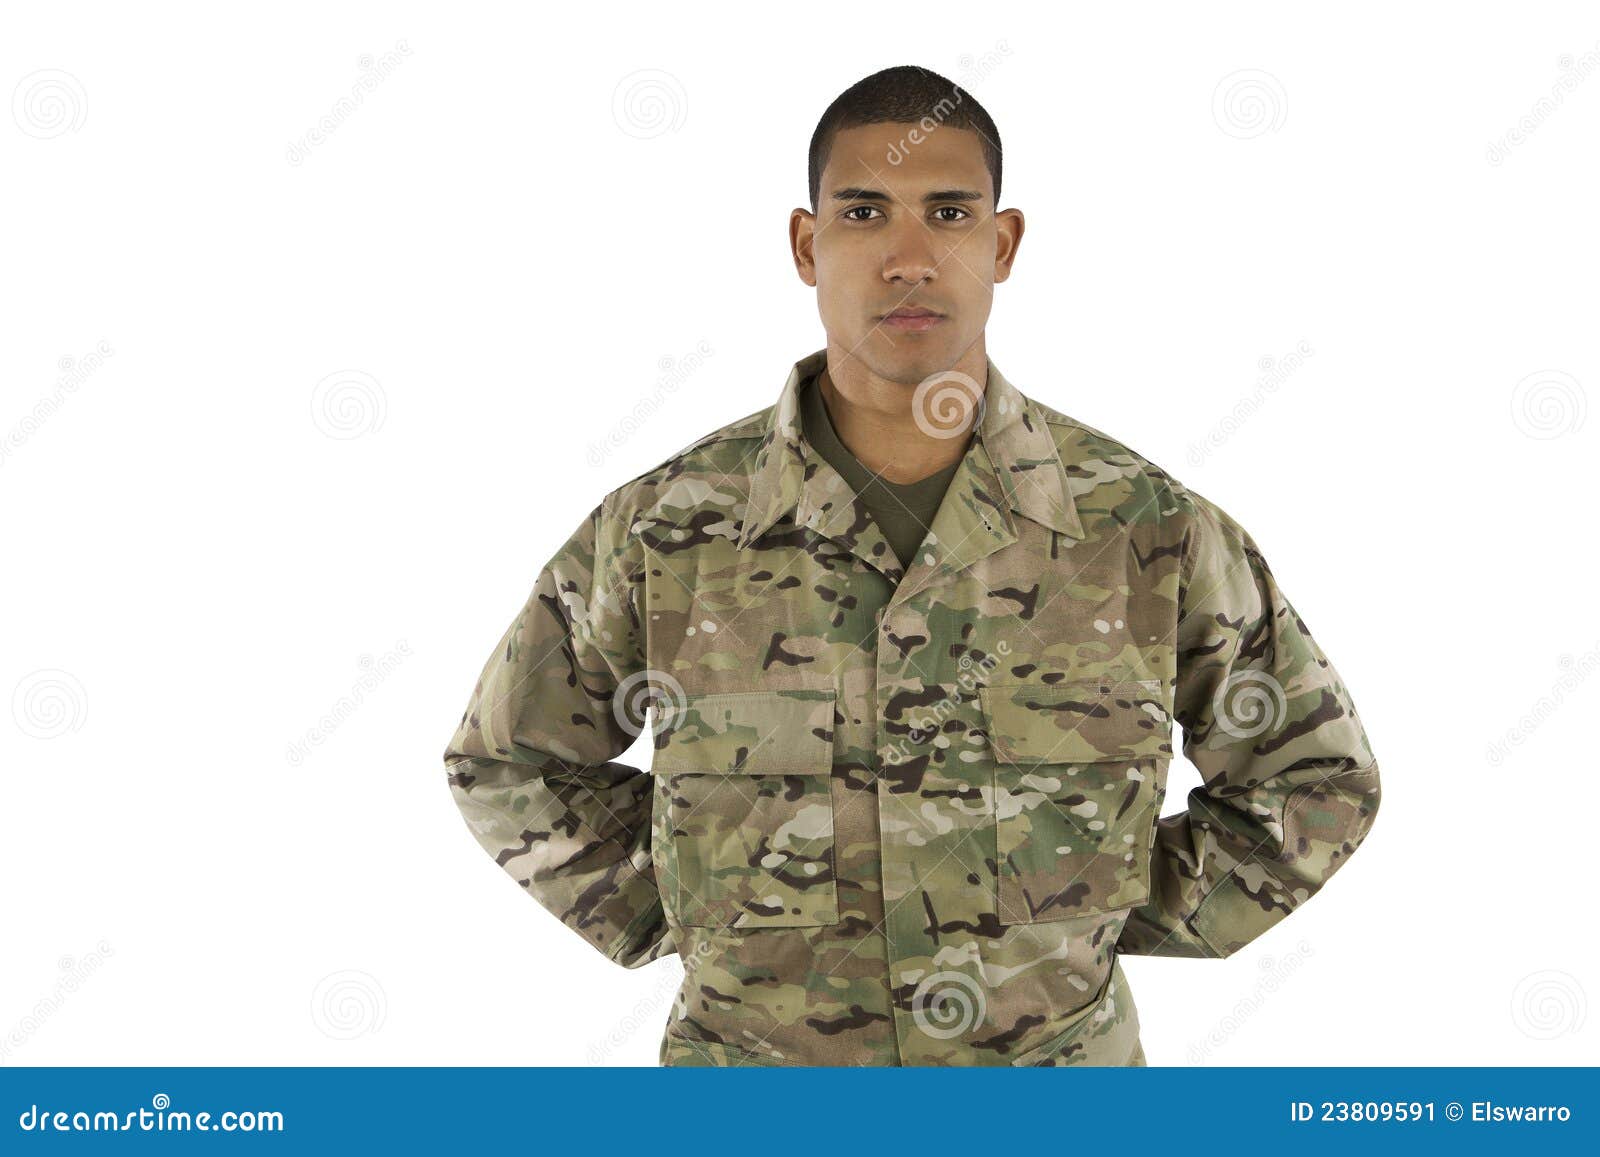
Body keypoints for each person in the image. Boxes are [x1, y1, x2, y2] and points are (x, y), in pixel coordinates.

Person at [442, 64, 1381, 1067]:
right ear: (807, 246)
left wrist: (1086, 910)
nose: (907, 256)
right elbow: (511, 763)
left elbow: (1313, 779)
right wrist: (694, 901)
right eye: (862, 212)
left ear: (1001, 242)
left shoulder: (1144, 528)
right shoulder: (664, 530)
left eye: (947, 211)